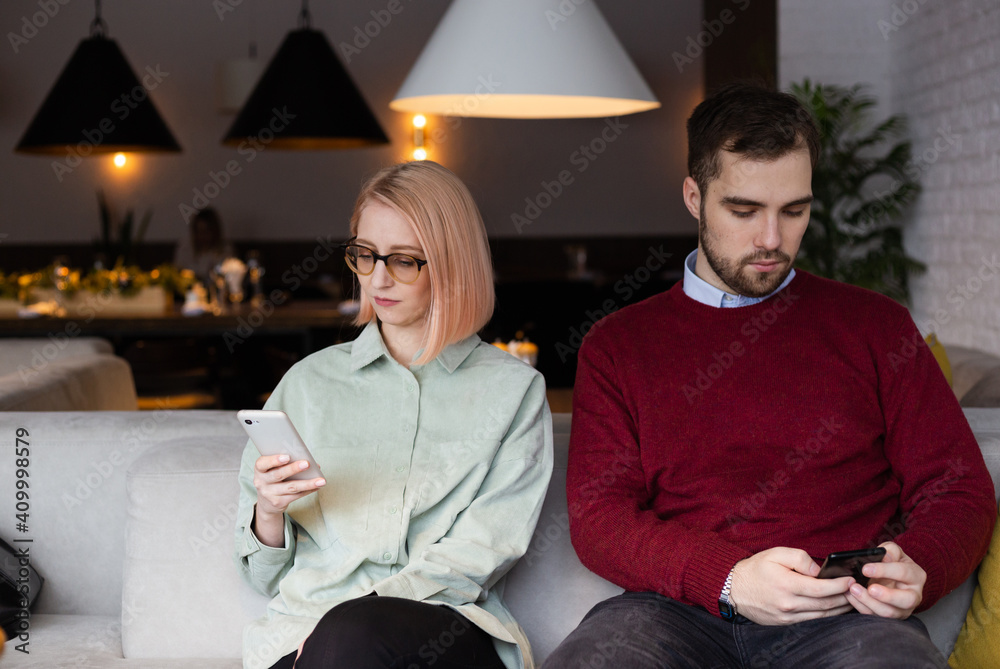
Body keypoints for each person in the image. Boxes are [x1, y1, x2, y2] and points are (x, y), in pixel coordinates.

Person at [542, 83, 996, 668]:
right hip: (670, 614)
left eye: (795, 210)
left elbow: (957, 485)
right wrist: (730, 578)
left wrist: (920, 563)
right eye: (743, 209)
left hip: (843, 614)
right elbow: (602, 518)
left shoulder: (877, 328)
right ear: (693, 196)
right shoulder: (618, 347)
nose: (771, 240)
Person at [234, 161, 553, 669]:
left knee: (351, 634)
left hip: (444, 632)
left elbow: (480, 552)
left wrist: (346, 621)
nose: (377, 278)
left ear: (452, 262)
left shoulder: (515, 392)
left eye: (404, 260)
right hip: (301, 639)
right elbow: (262, 575)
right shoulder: (307, 384)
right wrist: (269, 512)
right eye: (365, 255)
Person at [174, 206, 234, 284]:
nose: (202, 236)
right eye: (199, 232)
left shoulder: (225, 251)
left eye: (206, 231)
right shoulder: (185, 249)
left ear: (214, 231)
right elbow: (177, 274)